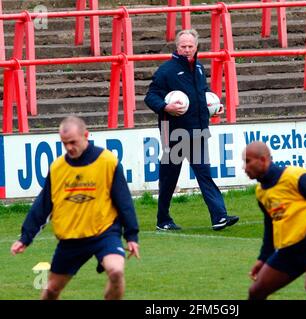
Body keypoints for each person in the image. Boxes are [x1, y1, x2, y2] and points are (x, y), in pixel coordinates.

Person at [10, 116, 140, 300]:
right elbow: (43, 205)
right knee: (52, 290)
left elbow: (124, 201)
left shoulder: (107, 161)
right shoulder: (57, 168)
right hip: (71, 239)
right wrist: (25, 238)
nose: (69, 148)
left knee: (116, 272)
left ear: (86, 135)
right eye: (64, 144)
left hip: (104, 233)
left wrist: (131, 236)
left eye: (73, 142)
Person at [144, 29, 239, 231]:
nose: (187, 50)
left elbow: (202, 93)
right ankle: (163, 220)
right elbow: (150, 96)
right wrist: (165, 107)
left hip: (197, 130)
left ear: (196, 47)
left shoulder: (198, 67)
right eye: (183, 46)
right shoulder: (166, 71)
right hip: (174, 132)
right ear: (176, 47)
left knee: (204, 173)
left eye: (190, 46)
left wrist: (213, 106)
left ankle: (219, 217)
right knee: (169, 178)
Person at [243, 141, 306, 300]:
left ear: (263, 160)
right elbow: (270, 228)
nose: (244, 167)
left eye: (248, 161)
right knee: (255, 292)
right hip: (289, 251)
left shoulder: (296, 177)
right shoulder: (261, 192)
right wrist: (263, 258)